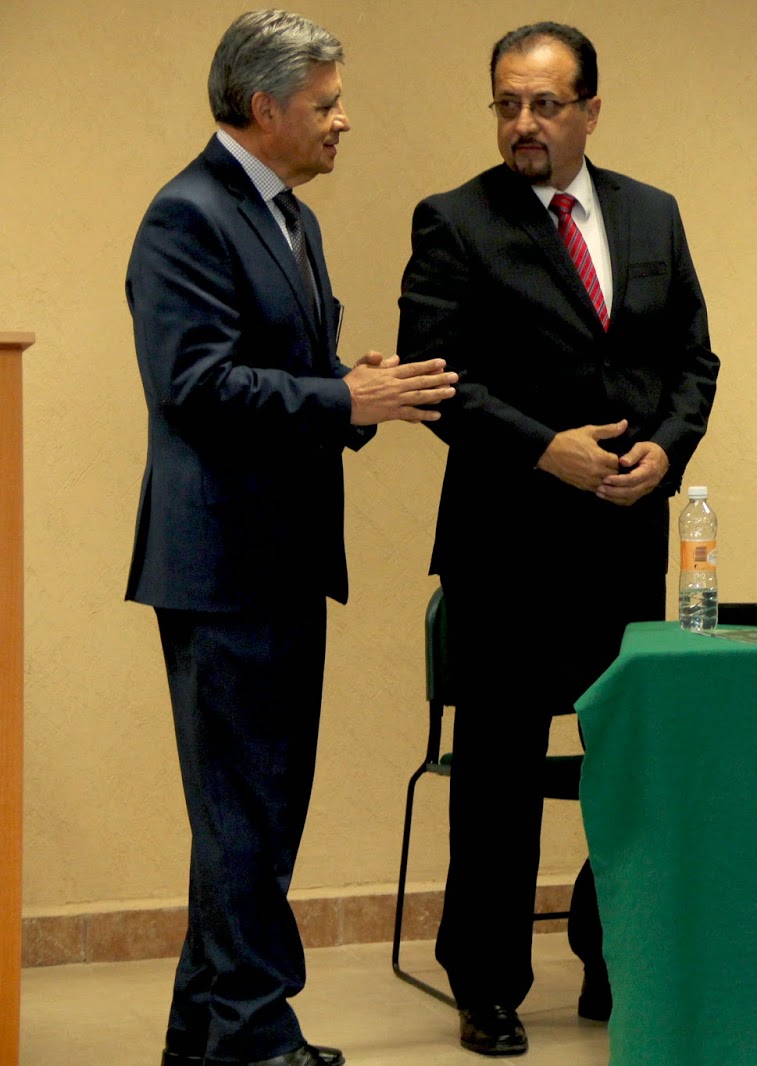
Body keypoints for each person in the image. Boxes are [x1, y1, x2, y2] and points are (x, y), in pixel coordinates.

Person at [125, 10, 457, 1066]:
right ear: (264, 108)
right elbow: (193, 385)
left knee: (254, 816)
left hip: (282, 561)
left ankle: (203, 1034)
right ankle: (256, 1035)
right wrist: (340, 398)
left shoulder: (290, 219)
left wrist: (352, 390)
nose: (344, 121)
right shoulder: (187, 215)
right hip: (221, 567)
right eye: (327, 104)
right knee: (245, 818)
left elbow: (284, 377)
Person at [395, 21, 719, 1057]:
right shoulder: (456, 220)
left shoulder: (652, 213)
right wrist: (545, 451)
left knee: (625, 766)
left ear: (590, 109)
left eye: (544, 104)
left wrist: (665, 449)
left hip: (622, 539)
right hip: (505, 547)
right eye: (507, 104)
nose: (523, 123)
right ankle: (487, 986)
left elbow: (694, 361)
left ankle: (608, 957)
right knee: (498, 777)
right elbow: (436, 380)